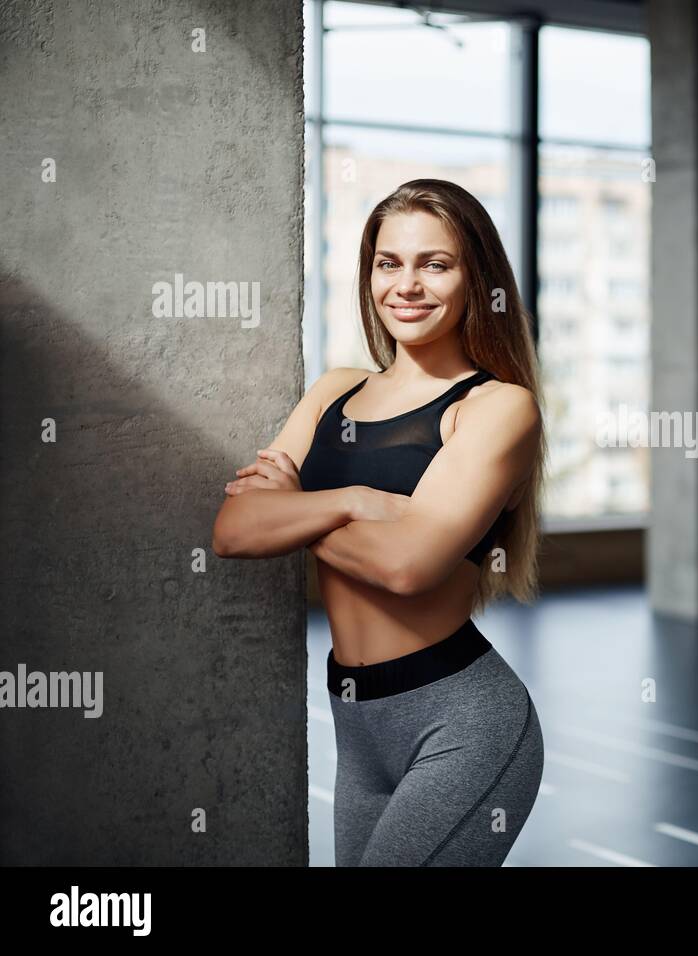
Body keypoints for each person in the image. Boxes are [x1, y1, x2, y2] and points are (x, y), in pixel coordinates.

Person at [211, 179, 546, 866]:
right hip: (356, 724)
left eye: (436, 264)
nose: (407, 285)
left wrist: (296, 505)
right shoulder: (335, 389)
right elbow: (234, 530)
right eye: (389, 263)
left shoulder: (496, 408)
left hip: (462, 720)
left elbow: (409, 566)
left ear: (475, 278)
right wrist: (355, 500)